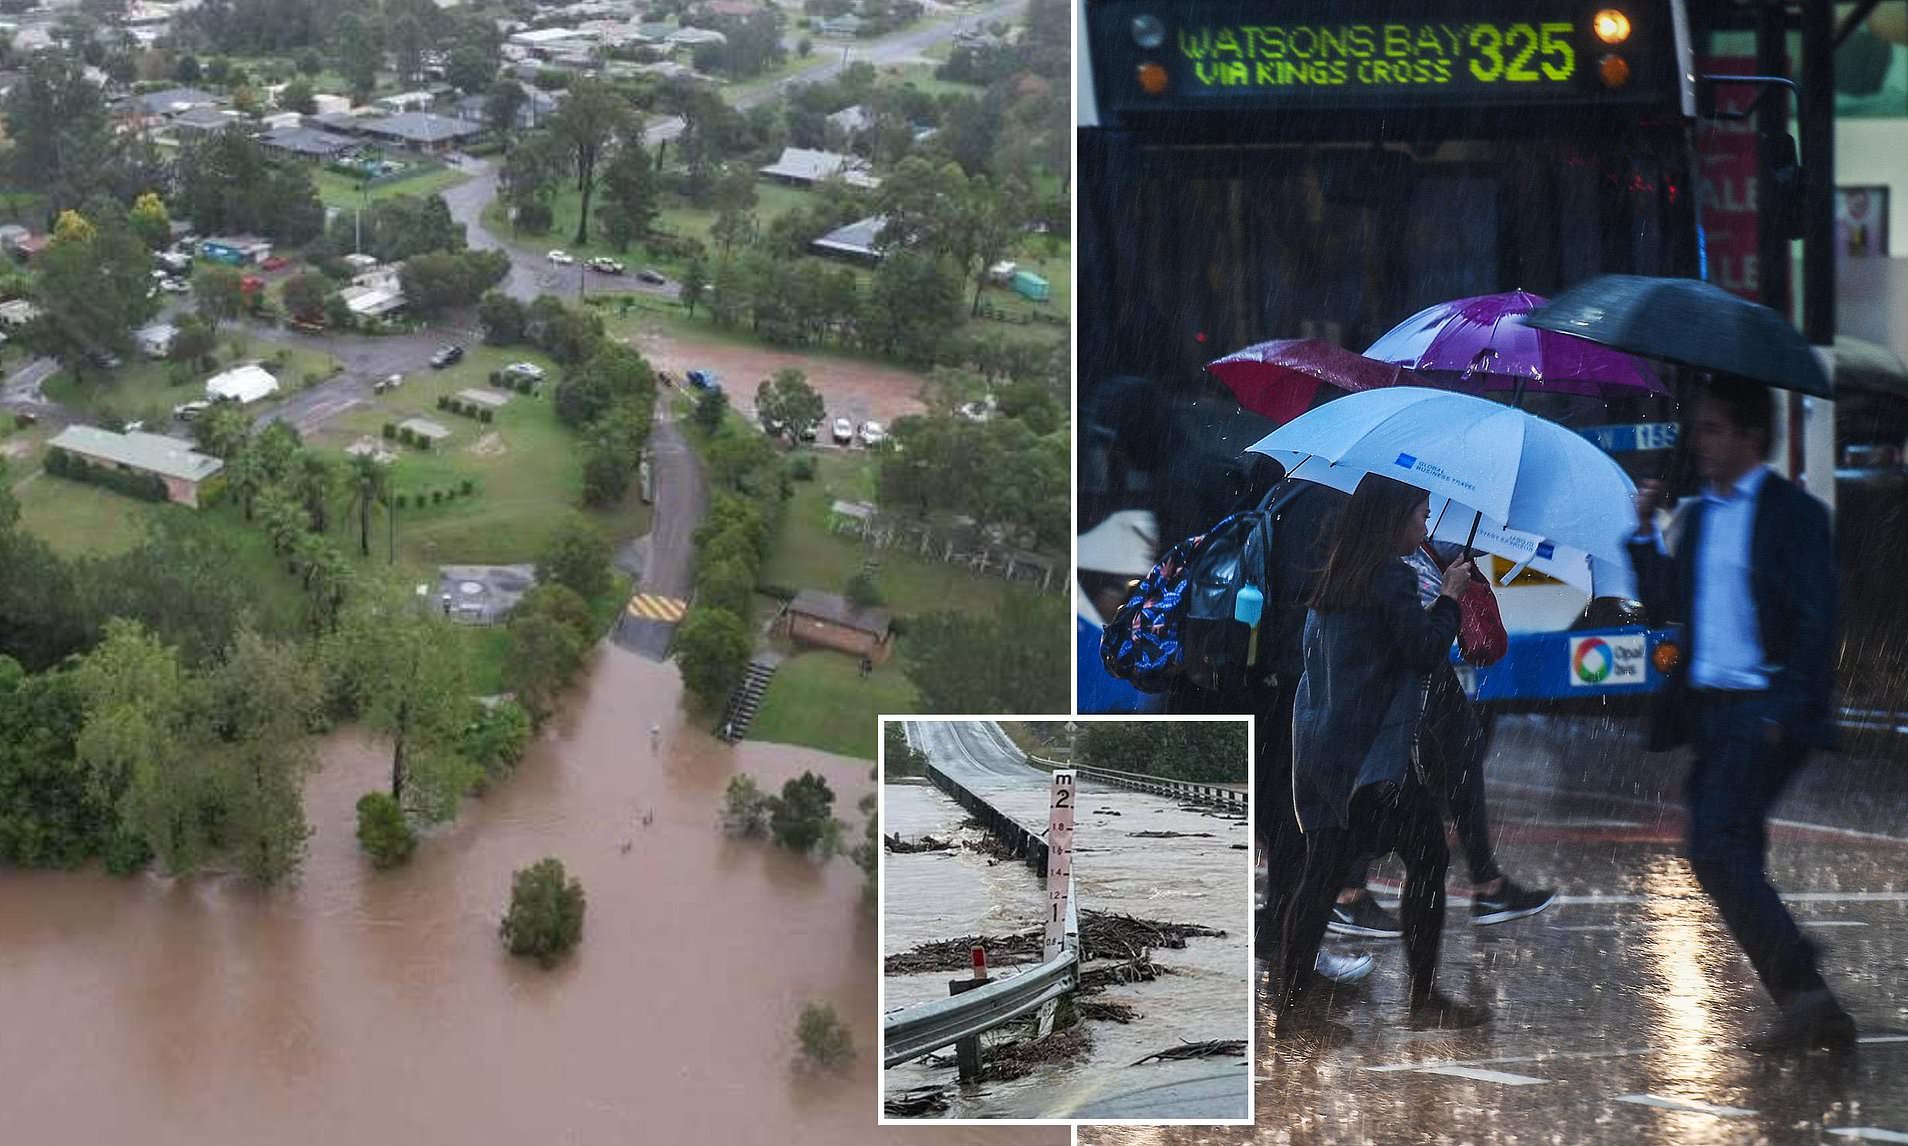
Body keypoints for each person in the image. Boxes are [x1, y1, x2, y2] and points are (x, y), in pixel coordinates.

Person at [1628, 377, 1851, 1051]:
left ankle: (1798, 971)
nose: (1700, 443)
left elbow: (1819, 621)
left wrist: (1783, 709)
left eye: (1714, 428)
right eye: (1699, 429)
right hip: (1712, 711)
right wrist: (1642, 536)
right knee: (1734, 852)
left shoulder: (1795, 514)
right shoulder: (1698, 516)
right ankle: (1810, 1008)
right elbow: (1672, 602)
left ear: (1752, 436)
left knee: (1713, 847)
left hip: (1765, 709)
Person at [1277, 473, 1490, 1029]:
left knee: (1321, 874)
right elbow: (1420, 652)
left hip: (1324, 752)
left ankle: (1292, 1003)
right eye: (1420, 515)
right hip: (1370, 761)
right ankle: (1422, 1000)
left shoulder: (1340, 570)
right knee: (1429, 857)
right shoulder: (1390, 575)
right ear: (1393, 519)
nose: (1425, 526)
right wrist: (1449, 597)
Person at [1329, 541, 1556, 938]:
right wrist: (1450, 591)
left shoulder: (1407, 543)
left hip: (1420, 669)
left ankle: (1486, 885)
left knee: (1458, 753)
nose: (1427, 515)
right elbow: (1416, 634)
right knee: (1392, 775)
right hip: (1402, 669)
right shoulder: (1388, 557)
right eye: (1421, 511)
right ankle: (1346, 892)